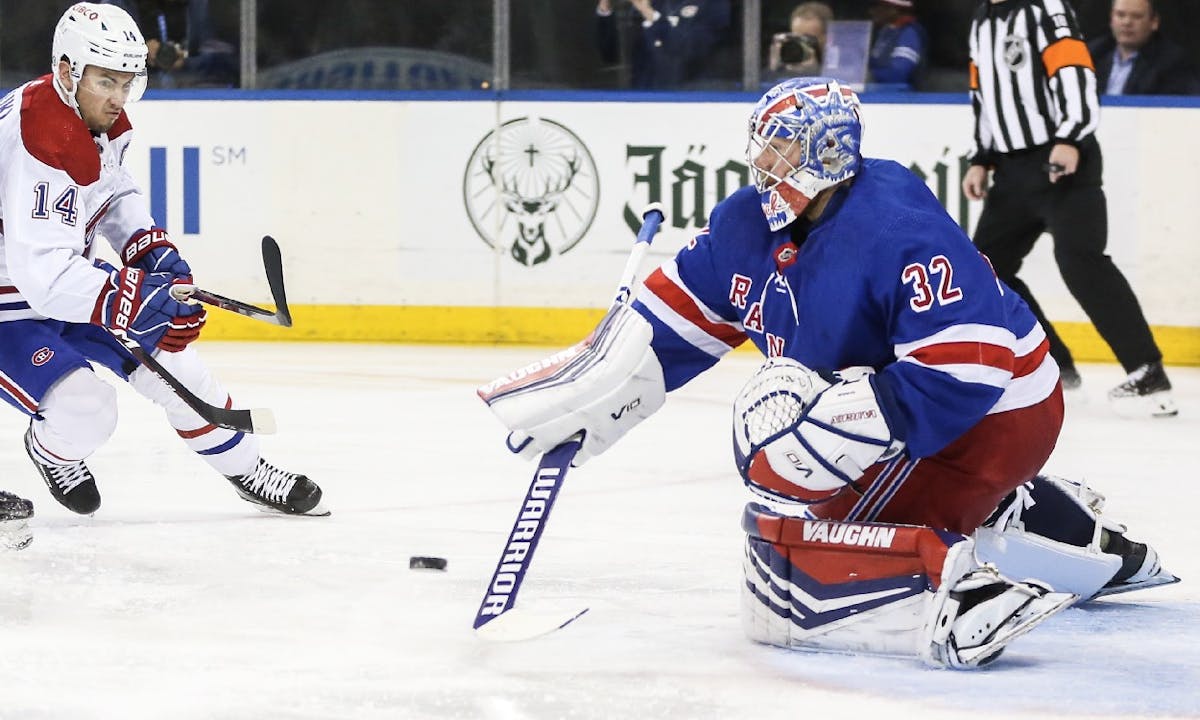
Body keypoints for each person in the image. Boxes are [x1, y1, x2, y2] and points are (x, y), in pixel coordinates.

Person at [478, 77, 1176, 668]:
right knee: (802, 482)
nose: (762, 159)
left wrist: (845, 425)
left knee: (817, 545)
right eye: (762, 144)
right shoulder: (743, 226)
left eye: (779, 145)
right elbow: (660, 328)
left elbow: (969, 363)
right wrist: (589, 389)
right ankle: (1046, 524)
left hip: (1001, 412)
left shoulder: (896, 223)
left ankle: (961, 593)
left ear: (826, 149)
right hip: (932, 410)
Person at [0, 3, 324, 517]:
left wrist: (148, 247)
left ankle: (248, 469)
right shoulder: (36, 134)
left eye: (126, 82)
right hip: (10, 302)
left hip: (63, 277)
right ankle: (51, 450)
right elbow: (42, 275)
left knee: (178, 365)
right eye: (107, 81)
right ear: (66, 71)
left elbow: (107, 192)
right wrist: (132, 298)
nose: (118, 96)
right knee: (87, 410)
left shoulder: (92, 113)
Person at [962, 0, 1176, 417]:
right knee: (987, 270)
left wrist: (1072, 137)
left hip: (1061, 158)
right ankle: (1056, 365)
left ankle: (1147, 372)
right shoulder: (982, 18)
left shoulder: (1045, 7)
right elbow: (981, 93)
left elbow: (1074, 72)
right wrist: (981, 157)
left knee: (1081, 261)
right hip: (1012, 170)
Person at [595, 0, 733, 90]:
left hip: (690, 97)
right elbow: (611, 54)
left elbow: (689, 49)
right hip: (639, 99)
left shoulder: (713, 4)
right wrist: (605, 7)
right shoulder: (650, 4)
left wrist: (650, 14)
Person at [102, 0, 237, 88]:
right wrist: (138, 51)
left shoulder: (201, 6)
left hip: (192, 86)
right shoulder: (115, 5)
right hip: (134, 86)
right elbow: (102, 56)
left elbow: (223, 58)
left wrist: (186, 60)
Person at [1088, 0, 1200, 96]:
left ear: (1154, 22)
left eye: (1136, 16)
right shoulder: (1094, 54)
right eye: (1120, 15)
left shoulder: (1171, 62)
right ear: (1111, 19)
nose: (1127, 22)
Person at [766, 3, 834, 81]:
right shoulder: (785, 68)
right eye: (796, 38)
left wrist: (814, 72)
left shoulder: (841, 65)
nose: (799, 44)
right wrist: (773, 69)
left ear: (829, 38)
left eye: (807, 38)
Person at [867, 0, 927, 86]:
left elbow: (898, 74)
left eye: (877, 6)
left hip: (899, 96)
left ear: (894, 9)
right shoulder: (886, 32)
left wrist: (870, 76)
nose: (871, 11)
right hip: (878, 91)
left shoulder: (909, 34)